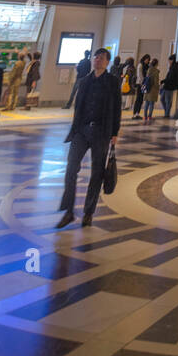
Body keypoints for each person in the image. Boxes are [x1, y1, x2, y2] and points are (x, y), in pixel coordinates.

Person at [57, 48, 121, 228]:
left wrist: (115, 132)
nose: (97, 60)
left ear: (107, 62)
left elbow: (116, 109)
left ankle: (88, 212)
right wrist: (75, 129)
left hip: (102, 132)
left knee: (97, 173)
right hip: (82, 131)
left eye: (101, 58)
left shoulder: (112, 82)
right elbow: (78, 107)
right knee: (71, 169)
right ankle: (68, 210)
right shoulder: (85, 81)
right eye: (96, 57)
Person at [161, 53, 178, 119]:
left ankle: (167, 114)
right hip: (167, 85)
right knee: (162, 99)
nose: (169, 62)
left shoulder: (175, 67)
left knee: (168, 100)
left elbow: (171, 78)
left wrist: (164, 81)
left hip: (170, 86)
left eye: (169, 60)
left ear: (172, 60)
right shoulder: (172, 67)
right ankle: (166, 112)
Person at [131, 54, 150, 120]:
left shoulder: (147, 66)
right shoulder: (140, 65)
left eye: (148, 60)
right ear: (144, 59)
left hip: (144, 84)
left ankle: (137, 113)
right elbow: (140, 75)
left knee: (141, 99)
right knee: (138, 99)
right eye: (147, 59)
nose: (147, 61)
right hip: (140, 84)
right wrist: (142, 83)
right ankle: (134, 114)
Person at [142, 58, 160, 122]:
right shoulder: (156, 71)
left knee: (146, 103)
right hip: (153, 89)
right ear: (156, 64)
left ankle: (145, 116)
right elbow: (156, 81)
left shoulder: (149, 70)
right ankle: (149, 116)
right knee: (151, 103)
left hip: (147, 88)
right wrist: (158, 88)